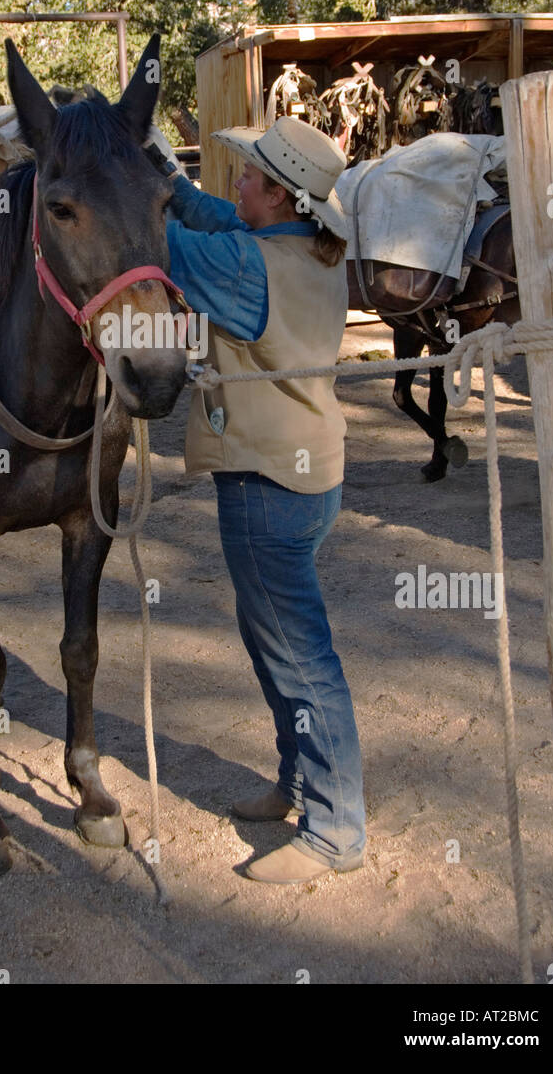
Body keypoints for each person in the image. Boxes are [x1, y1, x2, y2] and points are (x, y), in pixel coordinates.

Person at [143, 116, 365, 884]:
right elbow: (216, 219)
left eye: (248, 175)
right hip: (311, 472)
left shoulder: (244, 268)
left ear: (278, 195)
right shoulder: (304, 249)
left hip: (266, 483)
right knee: (277, 645)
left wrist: (138, 187)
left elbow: (159, 241)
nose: (234, 182)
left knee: (301, 660)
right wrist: (171, 182)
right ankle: (298, 783)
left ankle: (335, 831)